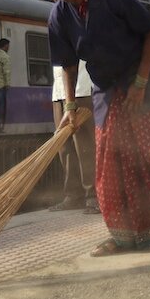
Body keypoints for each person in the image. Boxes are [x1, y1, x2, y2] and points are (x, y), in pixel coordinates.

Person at [46, 0, 150, 257]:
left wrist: (140, 84)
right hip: (107, 90)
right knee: (110, 163)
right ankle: (122, 237)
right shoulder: (58, 16)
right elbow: (67, 65)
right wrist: (69, 107)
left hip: (148, 82)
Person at [51, 61, 99, 214]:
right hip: (59, 92)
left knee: (84, 146)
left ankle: (93, 194)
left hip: (81, 90)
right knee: (64, 146)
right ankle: (73, 194)